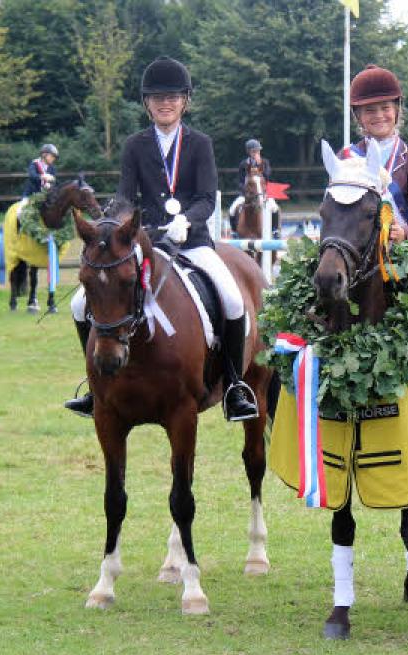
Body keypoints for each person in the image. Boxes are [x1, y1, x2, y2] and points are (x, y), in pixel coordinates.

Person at [66, 56, 258, 422]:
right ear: (146, 103)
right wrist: (115, 220)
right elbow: (125, 195)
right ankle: (96, 386)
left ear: (185, 100)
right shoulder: (135, 145)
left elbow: (205, 196)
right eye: (157, 97)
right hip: (147, 242)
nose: (164, 103)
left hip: (194, 241)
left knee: (232, 299)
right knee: (79, 304)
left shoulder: (200, 143)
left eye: (172, 96)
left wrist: (186, 220)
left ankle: (234, 386)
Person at [339, 64, 408, 242]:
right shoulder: (345, 158)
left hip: (402, 254)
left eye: (385, 108)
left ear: (396, 110)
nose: (379, 115)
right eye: (370, 110)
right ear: (358, 116)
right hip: (356, 251)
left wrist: (405, 232)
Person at [227, 139, 277, 227]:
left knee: (274, 208)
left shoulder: (265, 162)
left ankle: (275, 230)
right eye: (254, 151)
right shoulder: (243, 164)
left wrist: (260, 164)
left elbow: (268, 176)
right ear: (249, 152)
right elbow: (240, 181)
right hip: (247, 194)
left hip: (263, 193)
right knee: (232, 210)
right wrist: (245, 190)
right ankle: (234, 232)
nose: (257, 153)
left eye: (258, 151)